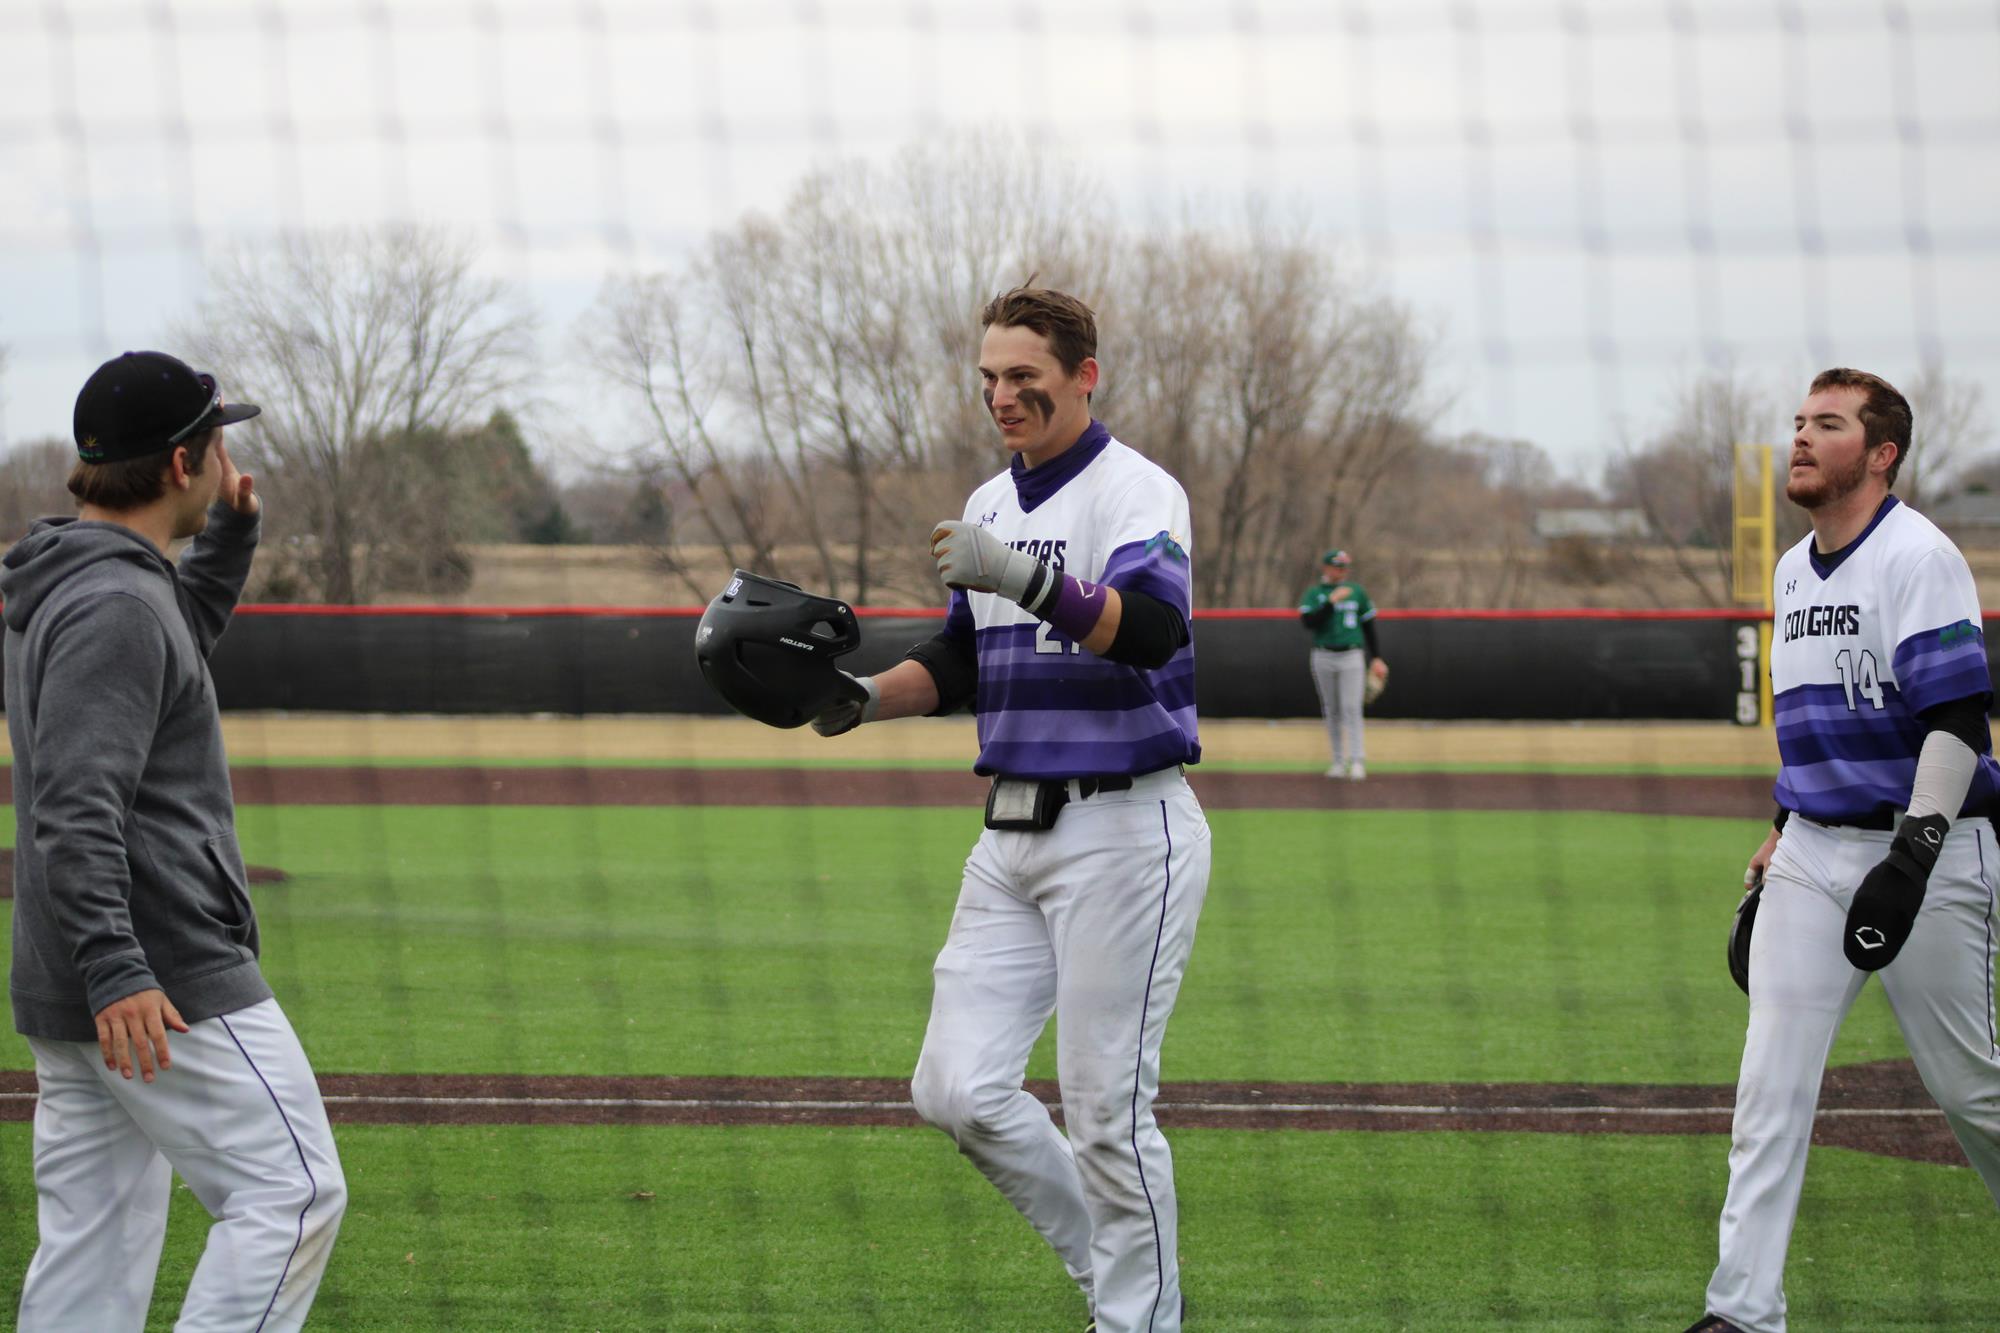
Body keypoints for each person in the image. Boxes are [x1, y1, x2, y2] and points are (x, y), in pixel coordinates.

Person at [812, 286, 1208, 1333]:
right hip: (1011, 833)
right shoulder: (990, 502)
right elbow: (961, 658)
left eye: (1023, 375)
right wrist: (862, 698)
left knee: (1107, 1114)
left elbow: (1151, 631)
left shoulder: (1136, 491)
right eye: (989, 377)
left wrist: (1023, 579)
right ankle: (1125, 1281)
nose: (1001, 395)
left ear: (1084, 375)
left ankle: (1138, 1318)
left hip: (1126, 829)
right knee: (956, 1089)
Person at [5, 351, 346, 1331]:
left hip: (77, 977)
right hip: (158, 975)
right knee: (293, 1194)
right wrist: (119, 968)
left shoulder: (83, 582)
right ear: (181, 462)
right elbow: (76, 805)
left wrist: (231, 535)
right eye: (216, 441)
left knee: (94, 1250)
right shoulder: (115, 603)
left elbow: (169, 639)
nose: (226, 457)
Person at [1685, 369, 2000, 1333]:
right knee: (1768, 1088)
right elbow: (1812, 731)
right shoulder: (1791, 568)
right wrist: (1783, 829)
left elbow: (1958, 723)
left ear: (1881, 452)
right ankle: (1743, 1311)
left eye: (1828, 423)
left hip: (1929, 852)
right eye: (1799, 422)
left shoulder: (1918, 555)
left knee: (1970, 1089)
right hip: (1811, 857)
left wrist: (1912, 856)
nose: (1802, 437)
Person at [1297, 548, 1387, 779]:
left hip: (1351, 655)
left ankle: (1357, 761)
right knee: (1332, 709)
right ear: (1326, 568)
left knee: (1351, 708)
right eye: (1337, 567)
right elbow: (1309, 622)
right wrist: (1330, 602)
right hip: (1323, 655)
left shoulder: (1356, 592)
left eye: (1344, 567)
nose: (1342, 571)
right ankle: (1338, 761)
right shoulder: (1315, 593)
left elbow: (1369, 626)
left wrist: (1377, 657)